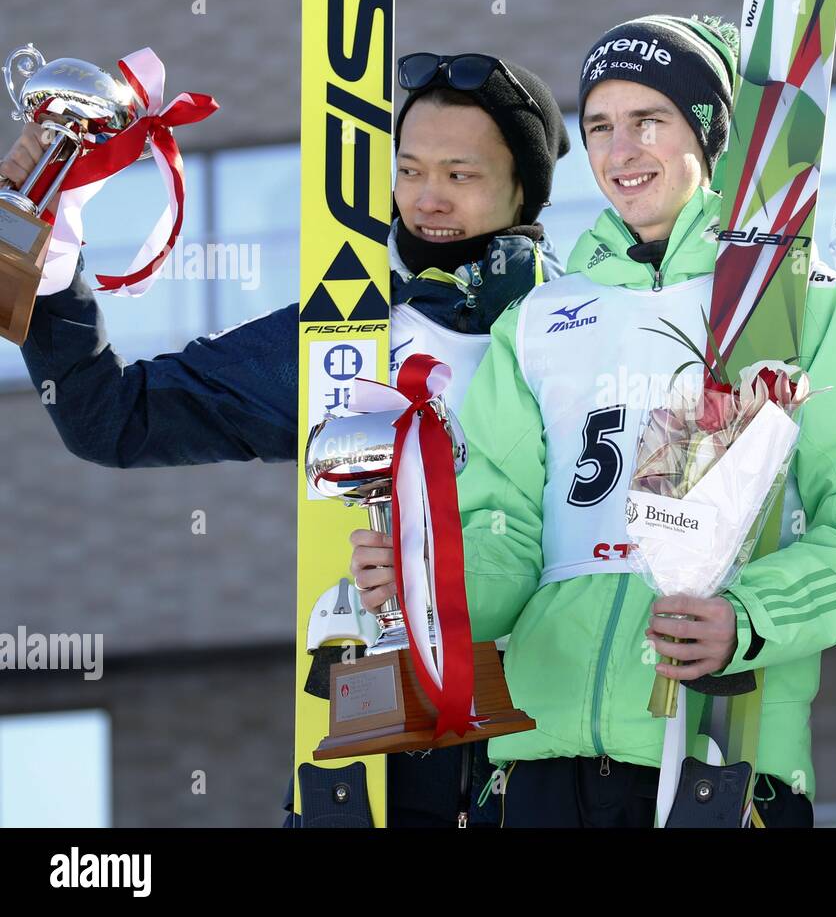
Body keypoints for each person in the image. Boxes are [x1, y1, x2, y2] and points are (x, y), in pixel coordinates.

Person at [350, 14, 836, 827]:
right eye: (599, 127)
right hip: (537, 770)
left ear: (707, 132)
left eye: (648, 122)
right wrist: (426, 585)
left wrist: (751, 617)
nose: (620, 152)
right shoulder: (541, 319)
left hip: (718, 757)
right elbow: (502, 532)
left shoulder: (793, 302)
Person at [8, 52, 571, 827]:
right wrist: (52, 228)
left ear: (524, 189)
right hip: (374, 769)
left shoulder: (582, 332)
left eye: (461, 174)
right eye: (409, 170)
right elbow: (114, 418)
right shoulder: (345, 332)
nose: (428, 197)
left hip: (552, 761)